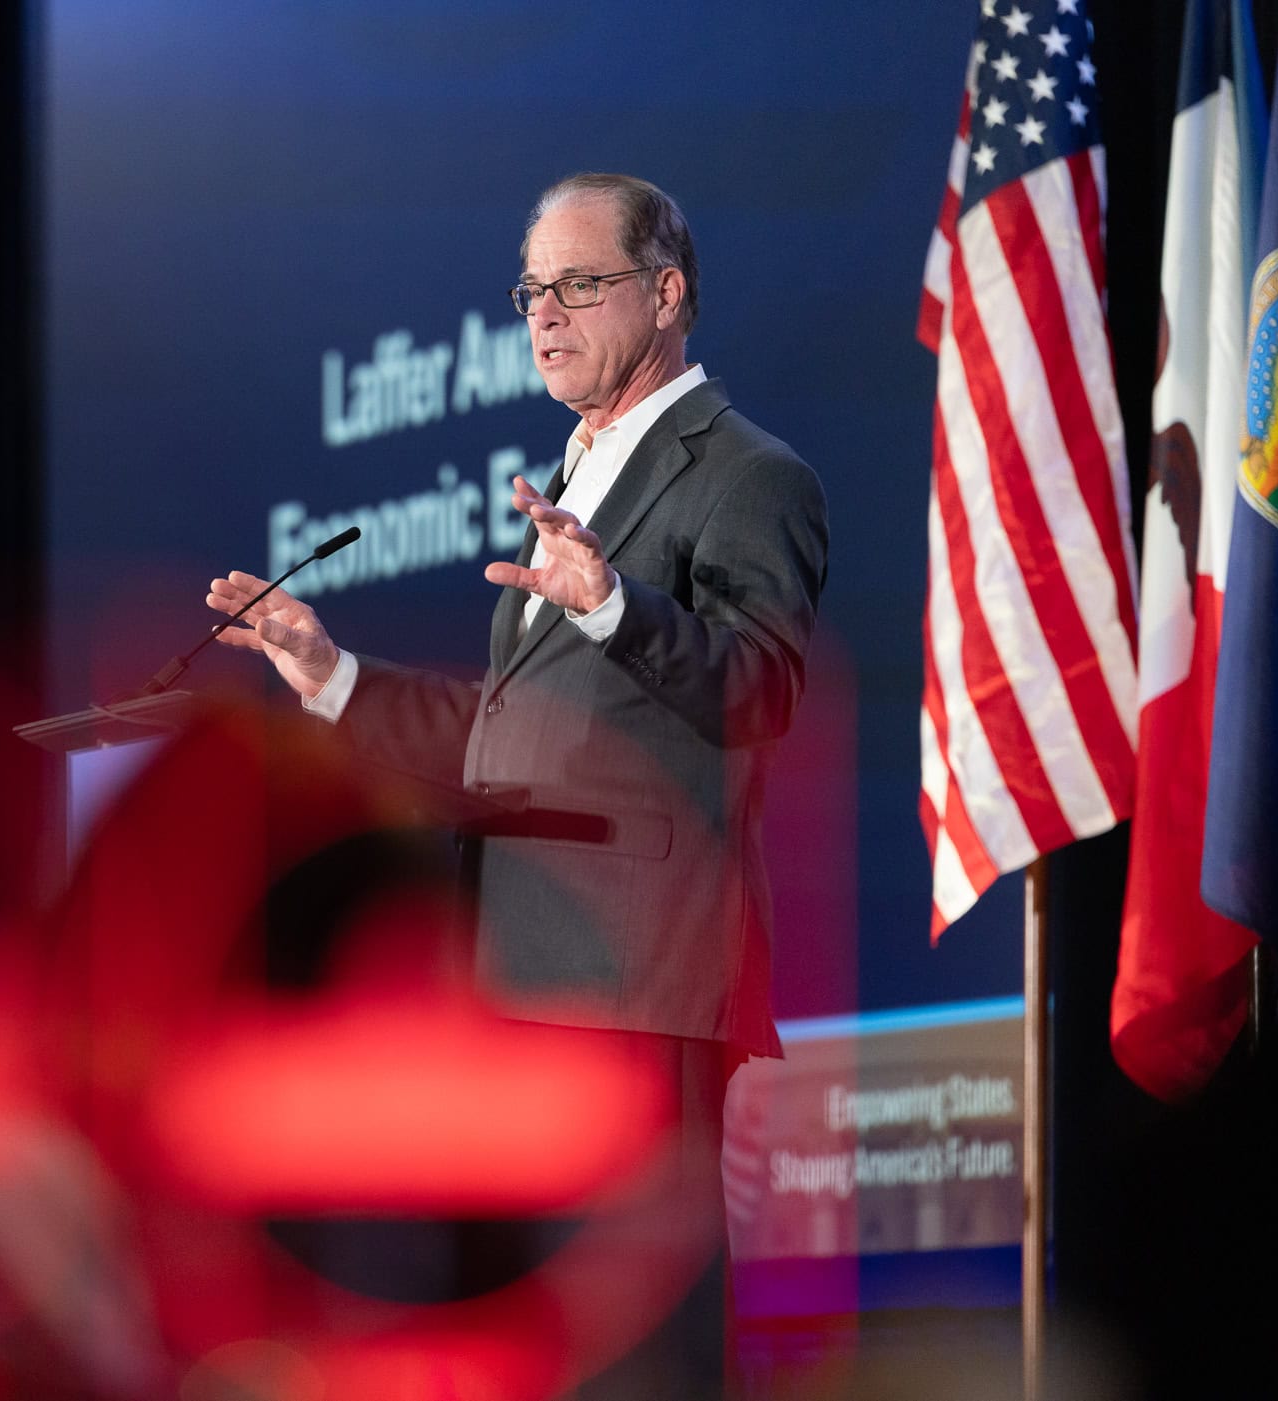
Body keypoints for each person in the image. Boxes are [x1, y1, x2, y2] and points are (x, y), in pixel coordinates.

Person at [208, 172, 828, 1396]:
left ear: (667, 294)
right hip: (519, 975)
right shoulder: (577, 475)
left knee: (640, 1343)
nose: (543, 316)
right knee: (531, 1341)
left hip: (639, 979)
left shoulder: (746, 474)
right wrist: (328, 673)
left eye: (578, 285)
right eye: (531, 291)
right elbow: (507, 735)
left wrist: (612, 605)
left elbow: (763, 696)